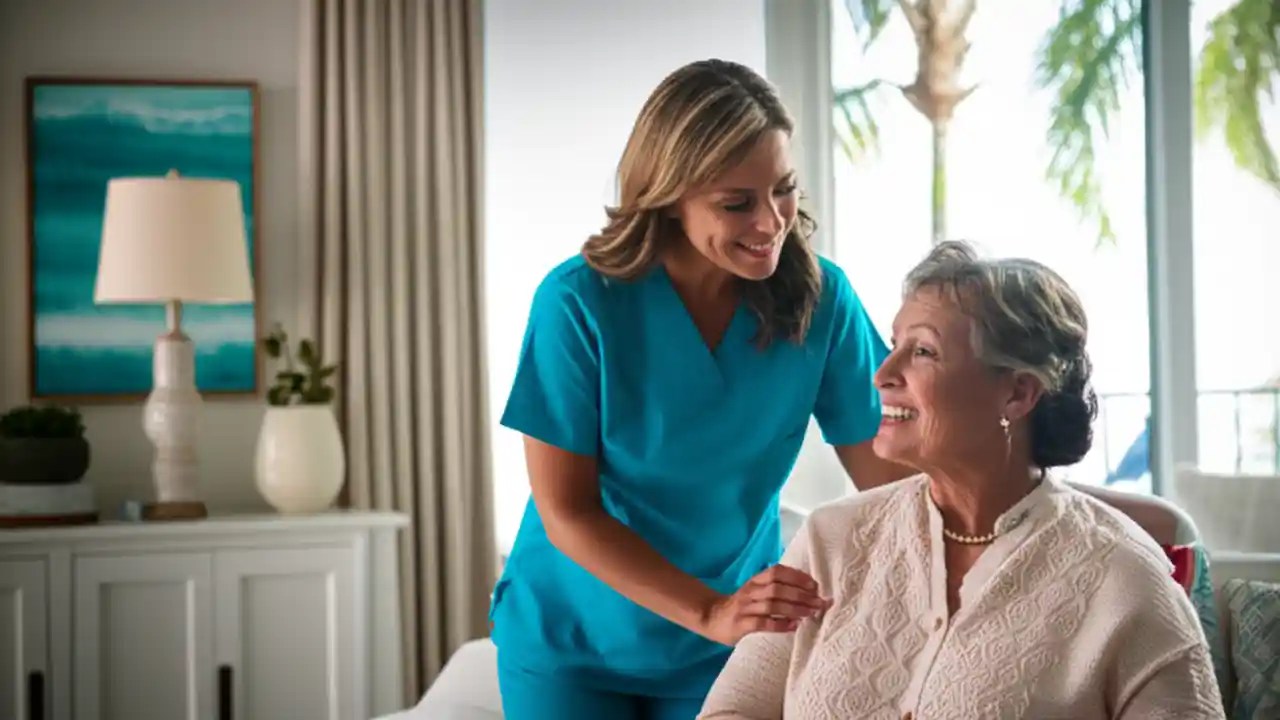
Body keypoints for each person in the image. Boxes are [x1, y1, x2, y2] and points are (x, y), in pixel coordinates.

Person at [490, 59, 909, 719]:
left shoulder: (821, 303)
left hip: (726, 645)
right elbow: (567, 511)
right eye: (736, 203)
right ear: (668, 197)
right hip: (569, 638)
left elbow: (890, 484)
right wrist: (708, 610)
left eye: (784, 190)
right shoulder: (577, 304)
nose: (771, 222)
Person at [698, 241, 1225, 720]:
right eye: (895, 343)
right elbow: (732, 711)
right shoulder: (831, 540)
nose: (883, 373)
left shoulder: (1125, 576)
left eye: (922, 351)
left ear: (1017, 394)